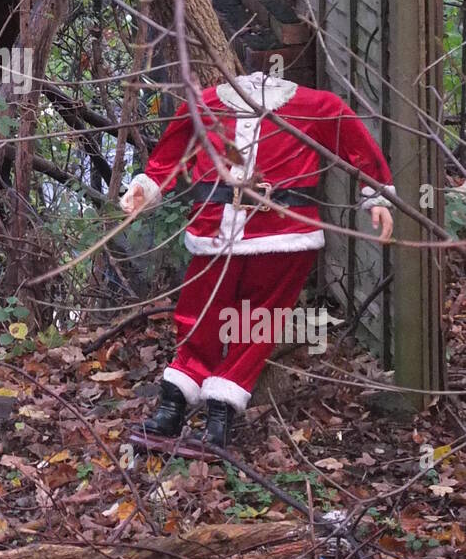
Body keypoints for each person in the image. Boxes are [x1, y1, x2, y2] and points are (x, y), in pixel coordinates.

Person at [119, 69, 394, 446]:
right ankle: (174, 400)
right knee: (199, 314)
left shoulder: (314, 106)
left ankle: (220, 414)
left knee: (257, 323)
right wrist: (147, 186)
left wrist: (377, 195)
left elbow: (354, 139)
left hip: (285, 236)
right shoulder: (205, 105)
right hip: (215, 233)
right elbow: (171, 151)